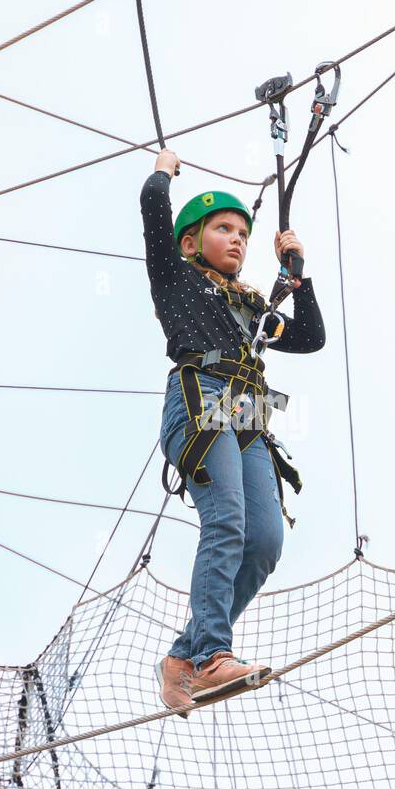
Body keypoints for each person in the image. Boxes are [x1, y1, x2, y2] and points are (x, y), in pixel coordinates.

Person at [142, 147, 325, 714]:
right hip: (200, 402)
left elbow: (308, 339)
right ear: (192, 243)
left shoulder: (249, 306)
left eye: (243, 231)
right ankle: (212, 656)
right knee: (226, 521)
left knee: (265, 541)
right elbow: (153, 209)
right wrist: (162, 171)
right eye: (223, 228)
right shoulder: (176, 278)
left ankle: (183, 657)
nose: (238, 239)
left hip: (245, 417)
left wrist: (301, 278)